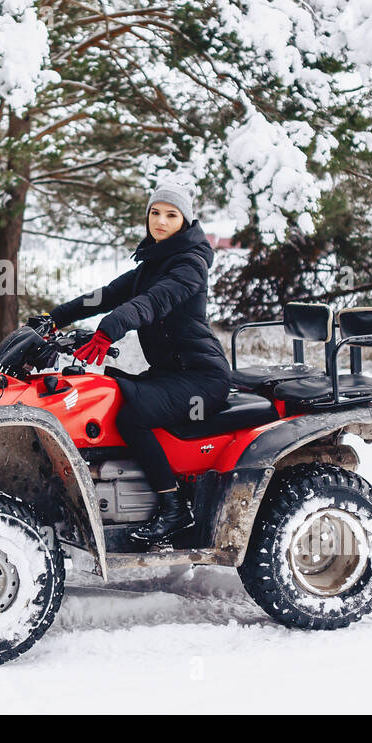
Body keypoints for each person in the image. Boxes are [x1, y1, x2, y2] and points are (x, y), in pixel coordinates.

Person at [41, 180, 231, 547]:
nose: (160, 221)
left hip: (201, 379)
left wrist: (109, 329)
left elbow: (153, 303)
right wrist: (53, 318)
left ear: (185, 220)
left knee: (131, 415)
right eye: (155, 213)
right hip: (170, 373)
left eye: (170, 215)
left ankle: (173, 506)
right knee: (107, 395)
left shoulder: (190, 265)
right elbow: (105, 295)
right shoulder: (153, 262)